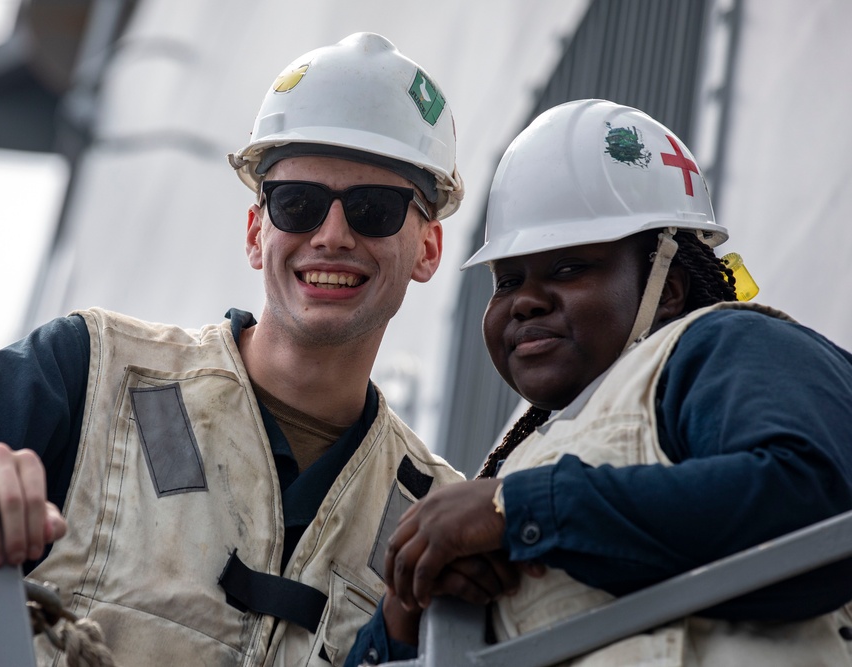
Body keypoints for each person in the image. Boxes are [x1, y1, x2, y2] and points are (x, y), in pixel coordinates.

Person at [0, 33, 517, 667]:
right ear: (258, 232)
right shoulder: (97, 369)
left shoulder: (439, 515)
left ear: (427, 247)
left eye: (372, 208)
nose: (332, 234)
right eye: (298, 203)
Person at [348, 99, 852, 665]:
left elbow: (817, 500)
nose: (526, 302)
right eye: (508, 280)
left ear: (669, 290)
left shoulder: (725, 345)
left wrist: (522, 509)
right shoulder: (516, 459)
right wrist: (406, 611)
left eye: (569, 268)